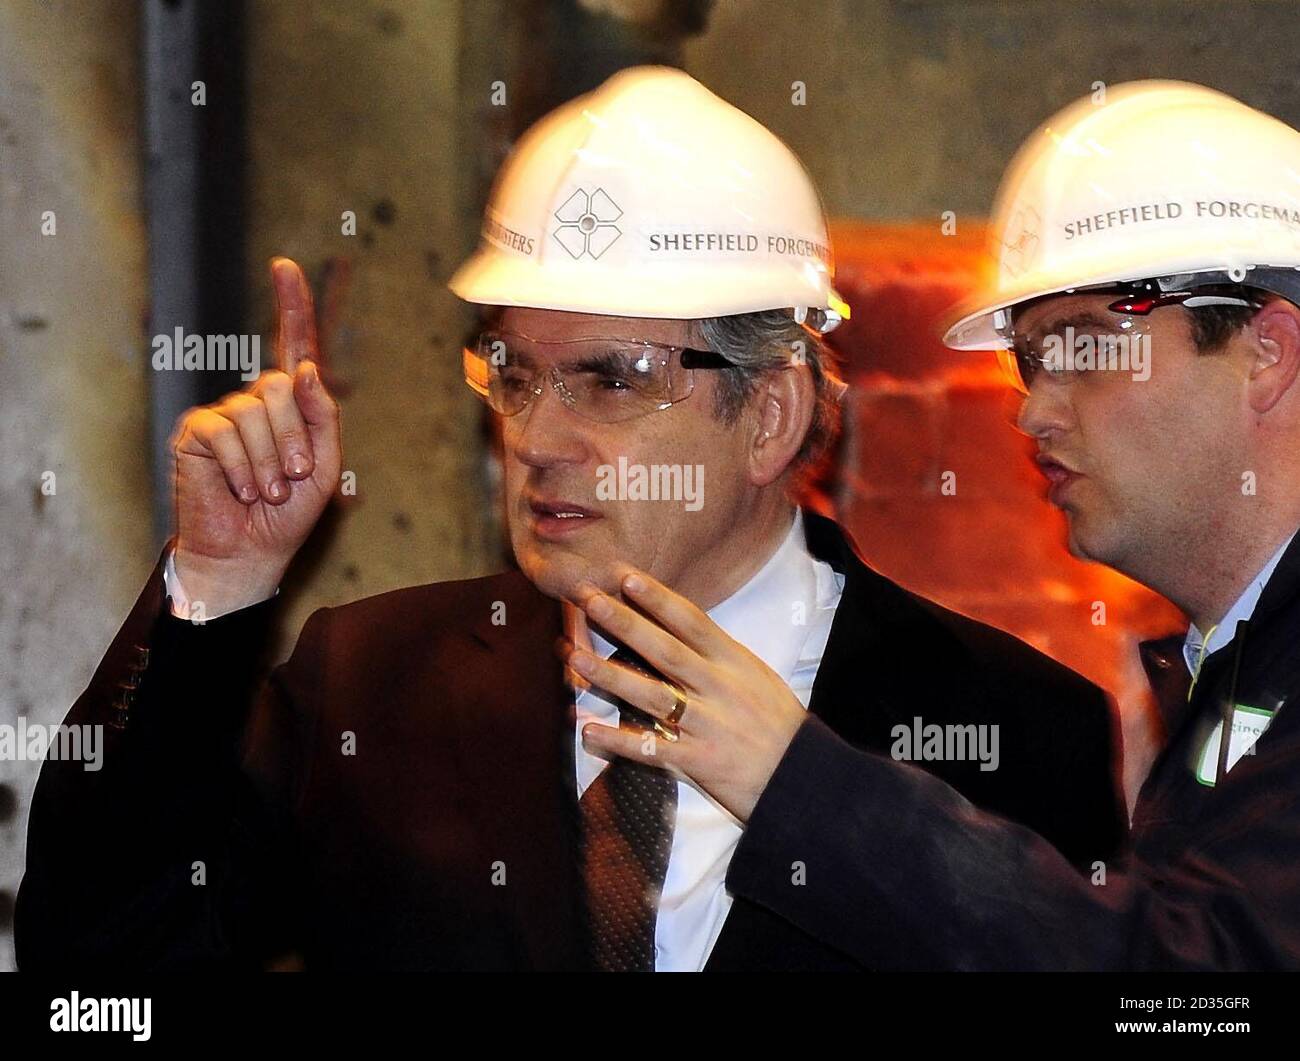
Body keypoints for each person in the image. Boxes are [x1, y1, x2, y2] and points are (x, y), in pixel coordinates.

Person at [16, 66, 1122, 972]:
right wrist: (214, 589)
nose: (536, 435)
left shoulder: (1012, 728)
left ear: (771, 410)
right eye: (513, 372)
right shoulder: (366, 682)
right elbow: (101, 965)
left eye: (610, 380)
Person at [577, 80, 1300, 970]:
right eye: (1029, 362)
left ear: (1266, 353)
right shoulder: (1233, 673)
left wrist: (799, 783)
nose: (1031, 413)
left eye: (1080, 346)